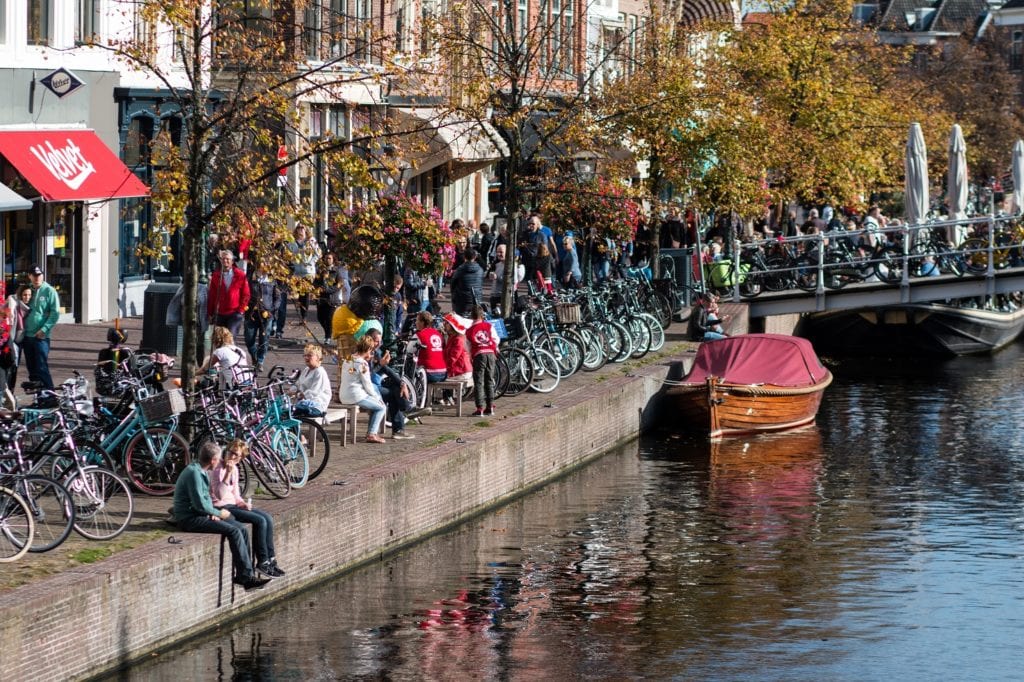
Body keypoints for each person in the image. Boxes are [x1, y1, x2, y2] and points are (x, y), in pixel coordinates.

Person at [171, 442, 270, 591]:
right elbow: (199, 505)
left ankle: (246, 575)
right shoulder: (194, 473)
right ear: (212, 460)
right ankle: (246, 578)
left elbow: (204, 502)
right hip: (189, 518)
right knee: (234, 531)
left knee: (241, 529)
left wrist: (211, 512)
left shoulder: (201, 471)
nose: (219, 462)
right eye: (217, 459)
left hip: (200, 513)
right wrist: (216, 513)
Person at [209, 439, 285, 578]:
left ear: (240, 459)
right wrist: (227, 474)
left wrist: (242, 503)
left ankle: (271, 560)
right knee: (259, 521)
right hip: (221, 506)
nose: (232, 457)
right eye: (231, 453)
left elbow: (236, 495)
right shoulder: (218, 469)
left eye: (236, 456)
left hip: (233, 505)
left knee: (267, 517)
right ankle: (262, 562)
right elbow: (219, 495)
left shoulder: (235, 470)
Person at [363, 328, 420, 440]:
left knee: (396, 387)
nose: (379, 344)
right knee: (394, 394)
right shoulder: (364, 353)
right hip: (366, 388)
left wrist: (402, 383)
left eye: (380, 341)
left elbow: (387, 369)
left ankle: (405, 412)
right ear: (368, 340)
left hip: (374, 385)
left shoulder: (376, 352)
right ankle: (404, 416)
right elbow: (366, 375)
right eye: (376, 341)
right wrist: (380, 364)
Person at [338, 335, 387, 444]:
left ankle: (371, 432)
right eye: (371, 350)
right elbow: (367, 384)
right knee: (381, 407)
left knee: (375, 402)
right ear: (368, 349)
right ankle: (372, 433)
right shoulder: (362, 364)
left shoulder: (348, 359)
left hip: (344, 395)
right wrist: (376, 398)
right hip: (356, 396)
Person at [21, 265, 60, 390]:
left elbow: (55, 313)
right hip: (27, 336)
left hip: (41, 337)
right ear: (29, 276)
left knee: (41, 367)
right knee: (32, 369)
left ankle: (49, 395)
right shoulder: (27, 290)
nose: (37, 278)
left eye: (39, 275)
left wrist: (44, 329)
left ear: (42, 275)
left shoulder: (49, 291)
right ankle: (39, 398)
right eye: (34, 275)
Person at [244, 261, 282, 374]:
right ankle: (254, 355)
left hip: (267, 314)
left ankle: (260, 361)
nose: (264, 266)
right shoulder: (250, 278)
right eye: (262, 264)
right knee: (249, 338)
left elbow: (278, 297)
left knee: (264, 340)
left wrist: (272, 309)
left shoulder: (272, 280)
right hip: (251, 313)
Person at [207, 250, 250, 336]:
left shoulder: (240, 275)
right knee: (219, 339)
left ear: (232, 261)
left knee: (230, 339)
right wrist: (210, 313)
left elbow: (246, 294)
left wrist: (240, 310)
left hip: (234, 313)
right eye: (223, 259)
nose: (225, 261)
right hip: (219, 313)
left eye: (227, 259)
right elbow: (212, 295)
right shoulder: (216, 276)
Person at [466, 306, 498, 416]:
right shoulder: (489, 326)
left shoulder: (469, 330)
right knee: (489, 379)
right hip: (490, 354)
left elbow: (468, 346)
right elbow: (496, 339)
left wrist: (471, 354)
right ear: (482, 315)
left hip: (479, 354)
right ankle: (490, 406)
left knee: (479, 381)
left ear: (471, 316)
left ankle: (479, 407)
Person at [287, 225, 321, 324]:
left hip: (308, 272)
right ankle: (301, 315)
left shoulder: (311, 241)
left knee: (305, 294)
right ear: (296, 230)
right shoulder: (292, 242)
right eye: (299, 229)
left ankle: (304, 317)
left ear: (306, 230)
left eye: (303, 229)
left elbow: (317, 253)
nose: (301, 231)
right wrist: (294, 262)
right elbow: (289, 254)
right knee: (298, 295)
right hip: (297, 271)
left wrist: (311, 262)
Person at [290, 344, 332, 418]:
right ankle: (292, 429)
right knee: (285, 410)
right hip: (305, 402)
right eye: (305, 355)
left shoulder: (320, 372)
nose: (306, 358)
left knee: (293, 412)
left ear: (318, 358)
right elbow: (298, 384)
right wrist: (291, 391)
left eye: (309, 355)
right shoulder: (306, 370)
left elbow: (314, 392)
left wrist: (298, 395)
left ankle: (294, 429)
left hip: (317, 405)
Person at [314, 252, 347, 342]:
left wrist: (328, 290)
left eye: (329, 258)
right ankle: (328, 332)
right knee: (320, 318)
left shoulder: (337, 271)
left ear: (333, 260)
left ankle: (327, 337)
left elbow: (339, 285)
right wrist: (318, 288)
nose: (327, 260)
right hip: (321, 299)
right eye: (326, 258)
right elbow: (315, 282)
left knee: (329, 319)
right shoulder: (320, 270)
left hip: (332, 299)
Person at [5, 284, 31, 393]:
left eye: (29, 295)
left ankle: (10, 393)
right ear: (20, 294)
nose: (27, 297)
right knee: (9, 369)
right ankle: (6, 395)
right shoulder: (14, 303)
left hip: (19, 341)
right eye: (25, 295)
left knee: (14, 369)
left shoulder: (26, 308)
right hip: (10, 342)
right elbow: (9, 321)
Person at [487, 244, 524, 314]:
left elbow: (514, 281)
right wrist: (491, 275)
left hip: (504, 297)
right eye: (497, 252)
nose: (498, 254)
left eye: (501, 252)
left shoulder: (512, 265)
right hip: (494, 296)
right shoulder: (497, 264)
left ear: (507, 252)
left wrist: (498, 277)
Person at [449, 248, 485, 317]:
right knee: (475, 318)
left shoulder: (460, 269)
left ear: (464, 257)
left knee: (461, 319)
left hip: (462, 300)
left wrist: (454, 296)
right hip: (477, 299)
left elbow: (453, 283)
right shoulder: (480, 269)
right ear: (475, 257)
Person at [442, 312, 473, 389]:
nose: (444, 324)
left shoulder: (458, 339)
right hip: (458, 369)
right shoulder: (452, 337)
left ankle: (440, 399)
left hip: (461, 371)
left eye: (447, 323)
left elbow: (453, 357)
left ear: (452, 325)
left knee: (436, 378)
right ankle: (445, 398)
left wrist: (443, 368)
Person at [415, 311, 447, 384]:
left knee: (413, 372)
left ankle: (415, 394)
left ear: (422, 322)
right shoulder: (439, 334)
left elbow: (409, 351)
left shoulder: (419, 335)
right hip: (443, 372)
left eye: (417, 320)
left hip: (429, 373)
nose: (416, 322)